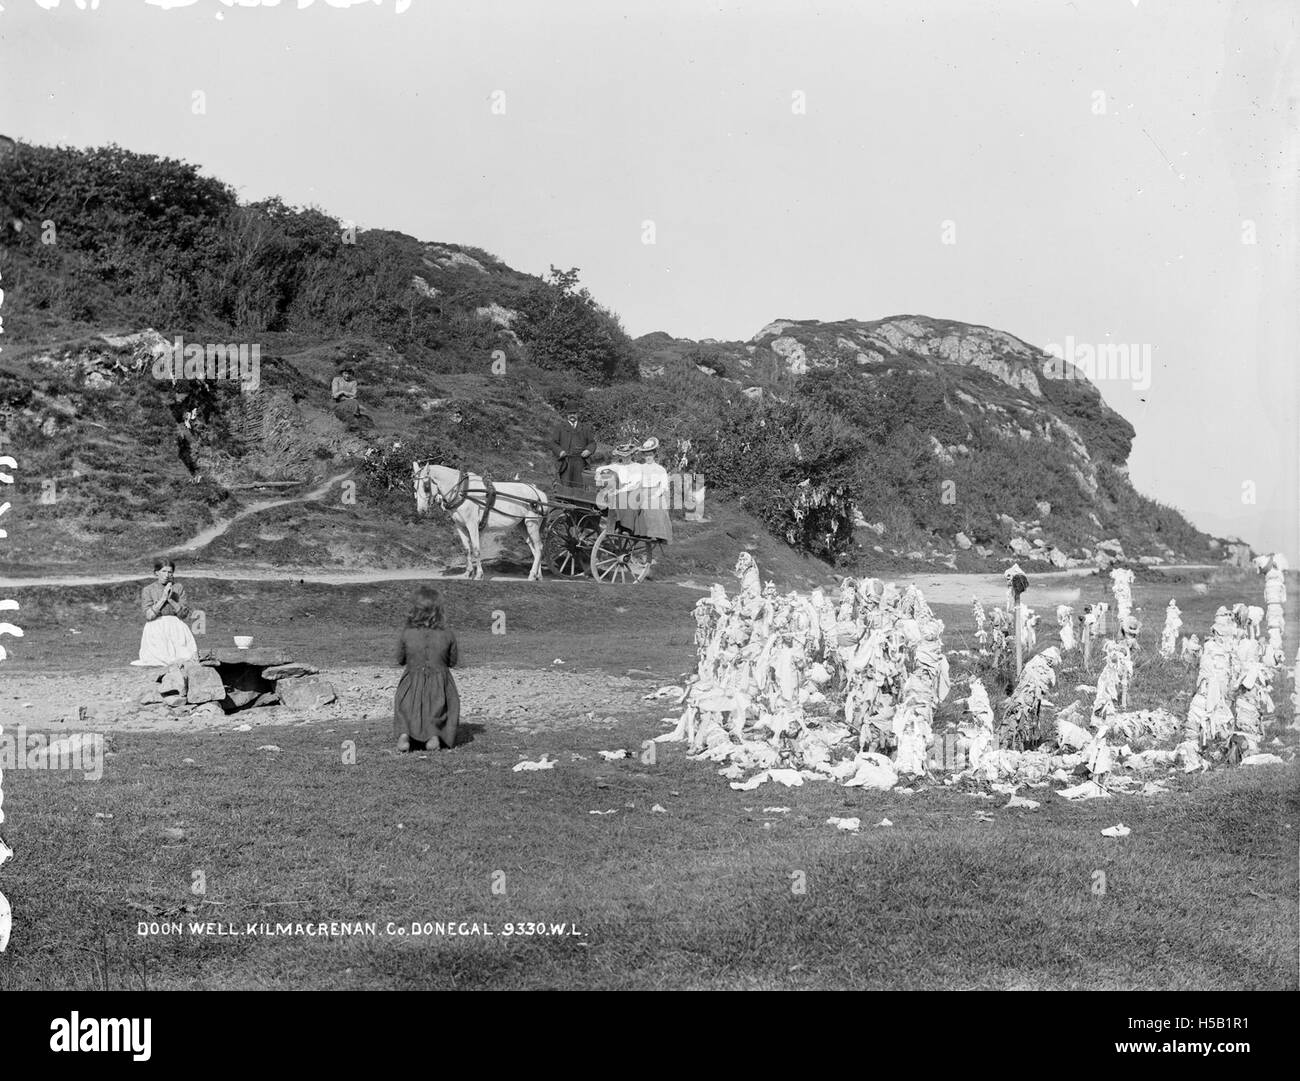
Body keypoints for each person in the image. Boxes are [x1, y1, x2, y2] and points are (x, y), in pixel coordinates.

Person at [393, 586, 461, 752]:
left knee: (406, 706)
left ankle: (405, 734)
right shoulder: (447, 634)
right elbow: (452, 661)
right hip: (439, 679)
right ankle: (434, 735)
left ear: (414, 610)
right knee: (439, 706)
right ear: (439, 611)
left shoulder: (407, 633)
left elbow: (400, 659)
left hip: (412, 679)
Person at [131, 559, 199, 667]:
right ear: (156, 573)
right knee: (160, 659)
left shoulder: (178, 588)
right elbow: (149, 615)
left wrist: (171, 599)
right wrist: (163, 598)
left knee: (184, 657)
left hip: (176, 627)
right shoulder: (148, 590)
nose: (167, 575)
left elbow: (183, 615)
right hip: (156, 627)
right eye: (163, 571)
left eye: (170, 572)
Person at [635, 437, 673, 549]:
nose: (648, 457)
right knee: (636, 504)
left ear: (654, 455)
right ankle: (638, 531)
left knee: (654, 506)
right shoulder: (641, 468)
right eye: (646, 455)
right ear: (643, 456)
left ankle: (656, 534)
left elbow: (663, 486)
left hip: (656, 492)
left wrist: (655, 495)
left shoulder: (660, 469)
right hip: (643, 491)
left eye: (650, 455)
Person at [594, 442, 641, 533]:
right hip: (619, 489)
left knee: (625, 499)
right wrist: (598, 476)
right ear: (620, 456)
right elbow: (600, 469)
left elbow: (635, 483)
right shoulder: (617, 466)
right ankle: (615, 523)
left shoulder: (637, 467)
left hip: (633, 490)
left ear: (632, 455)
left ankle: (626, 527)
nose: (625, 459)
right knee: (611, 496)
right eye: (623, 456)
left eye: (627, 456)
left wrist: (620, 490)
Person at [549, 408, 596, 489]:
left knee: (579, 487)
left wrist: (588, 450)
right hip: (566, 462)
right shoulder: (560, 427)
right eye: (570, 413)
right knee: (565, 487)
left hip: (580, 462)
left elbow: (592, 443)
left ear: (578, 414)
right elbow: (553, 443)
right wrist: (560, 451)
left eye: (574, 413)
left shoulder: (585, 428)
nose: (572, 415)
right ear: (567, 414)